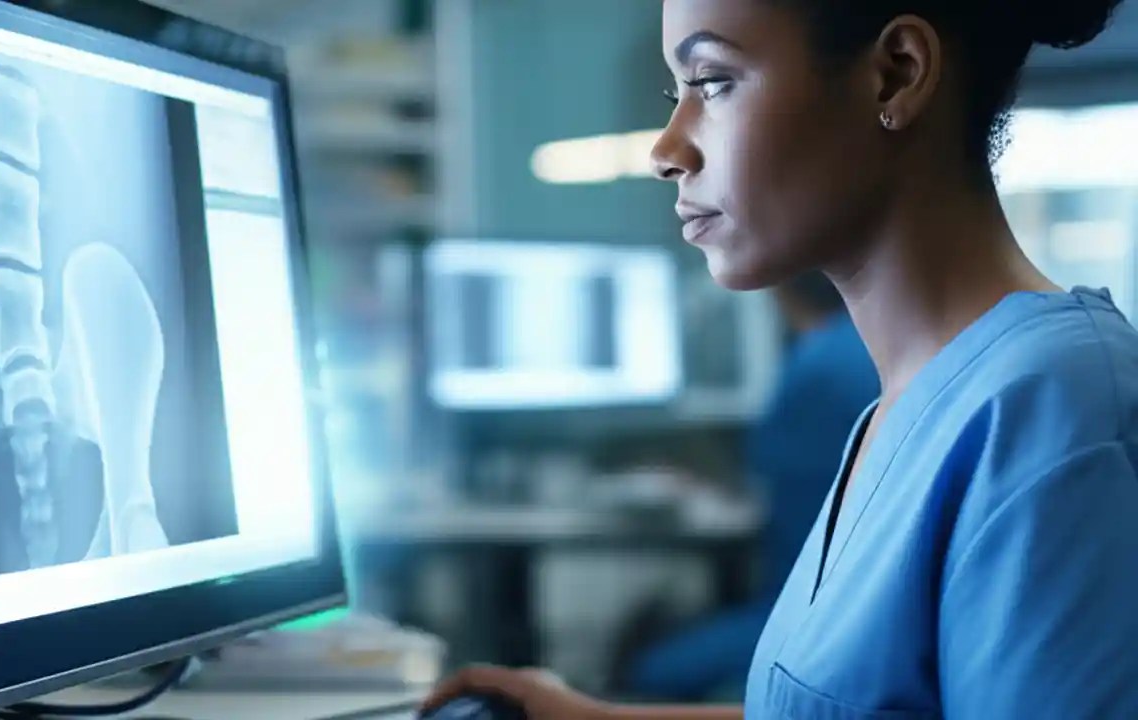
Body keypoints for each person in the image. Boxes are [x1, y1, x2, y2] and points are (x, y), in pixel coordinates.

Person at [424, 0, 1138, 717]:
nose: (667, 150)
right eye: (677, 95)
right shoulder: (904, 406)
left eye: (712, 82)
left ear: (896, 76)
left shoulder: (1056, 415)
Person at [625, 273, 879, 701]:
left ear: (779, 285)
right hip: (871, 612)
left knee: (646, 667)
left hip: (812, 620)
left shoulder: (813, 374)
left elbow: (777, 499)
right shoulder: (869, 351)